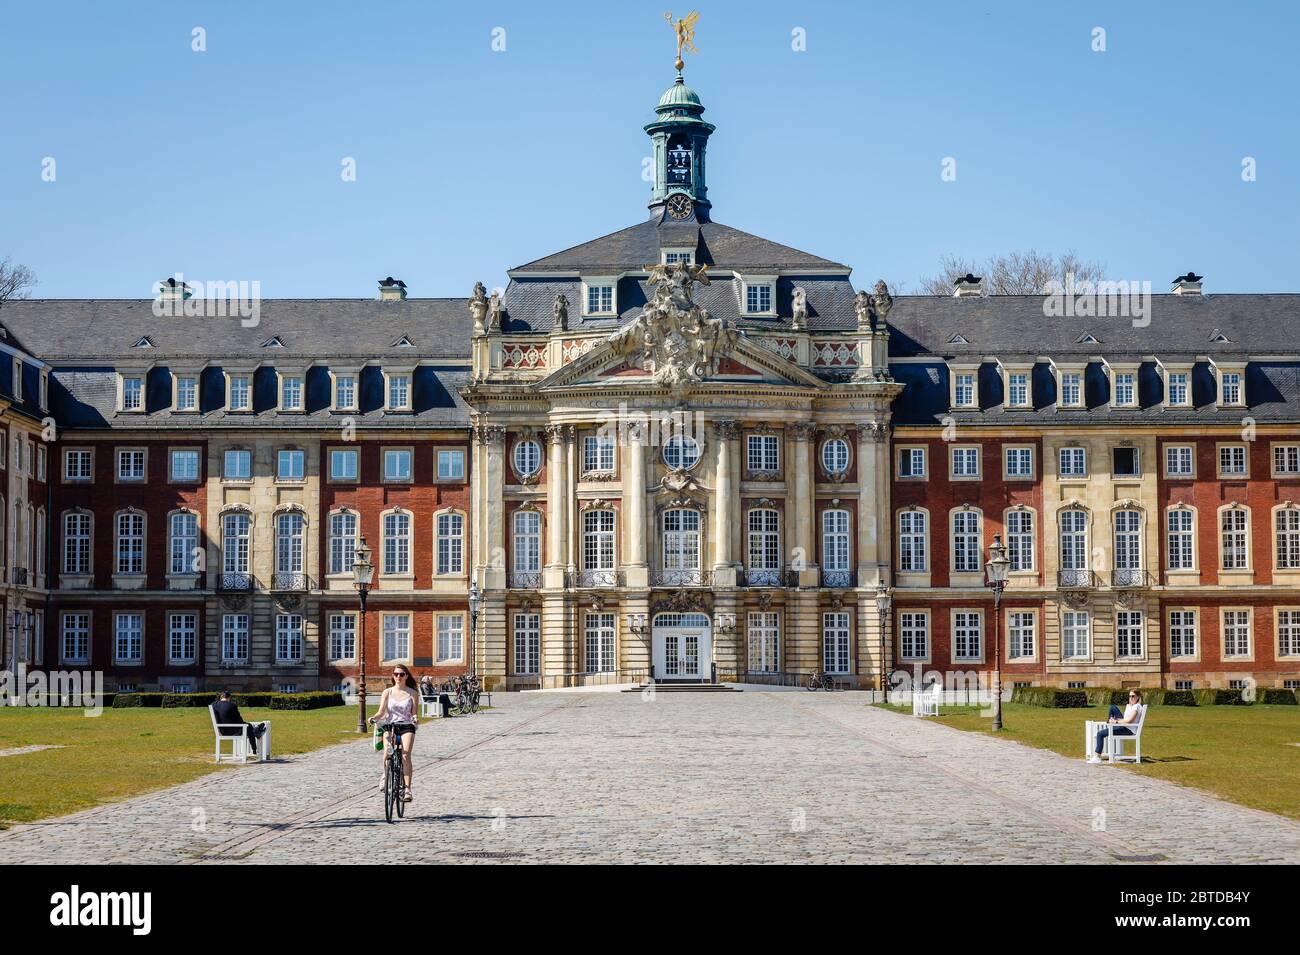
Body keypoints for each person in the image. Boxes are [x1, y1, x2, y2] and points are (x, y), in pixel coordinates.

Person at [369, 665, 419, 801]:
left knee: (405, 754)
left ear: (406, 676)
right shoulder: (387, 692)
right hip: (390, 725)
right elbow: (381, 711)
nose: (398, 677)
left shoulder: (412, 693)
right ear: (393, 676)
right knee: (387, 752)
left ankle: (407, 789)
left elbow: (414, 713)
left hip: (406, 725)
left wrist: (415, 719)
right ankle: (385, 774)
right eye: (396, 674)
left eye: (401, 674)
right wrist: (374, 718)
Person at [1088, 689, 1143, 763]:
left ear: (1138, 697)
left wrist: (1116, 721)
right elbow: (1125, 719)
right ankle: (1109, 721)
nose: (1131, 698)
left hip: (1128, 730)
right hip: (1124, 727)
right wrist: (1115, 721)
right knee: (1112, 707)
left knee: (1100, 734)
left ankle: (1097, 757)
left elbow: (1129, 721)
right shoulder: (1131, 706)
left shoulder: (1137, 707)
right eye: (1129, 696)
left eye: (1133, 696)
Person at [212, 690, 268, 756]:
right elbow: (240, 721)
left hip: (222, 732)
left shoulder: (214, 705)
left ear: (221, 697)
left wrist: (219, 730)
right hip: (234, 732)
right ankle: (255, 744)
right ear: (229, 698)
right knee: (248, 726)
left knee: (249, 726)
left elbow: (216, 718)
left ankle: (256, 730)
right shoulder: (232, 705)